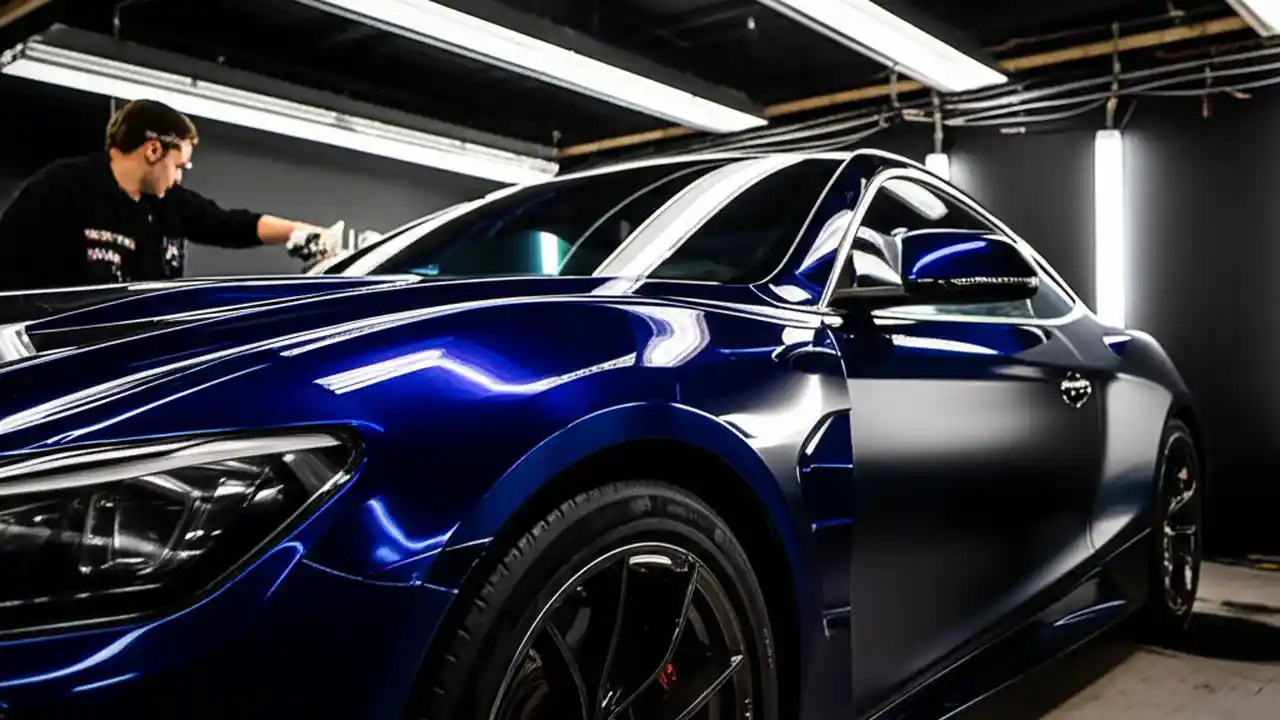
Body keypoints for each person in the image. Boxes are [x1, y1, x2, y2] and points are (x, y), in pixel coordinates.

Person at [0, 99, 343, 291]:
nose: (178, 176)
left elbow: (230, 224)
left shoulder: (169, 203)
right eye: (179, 165)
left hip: (138, 354)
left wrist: (300, 232)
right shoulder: (62, 187)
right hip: (64, 355)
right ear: (153, 150)